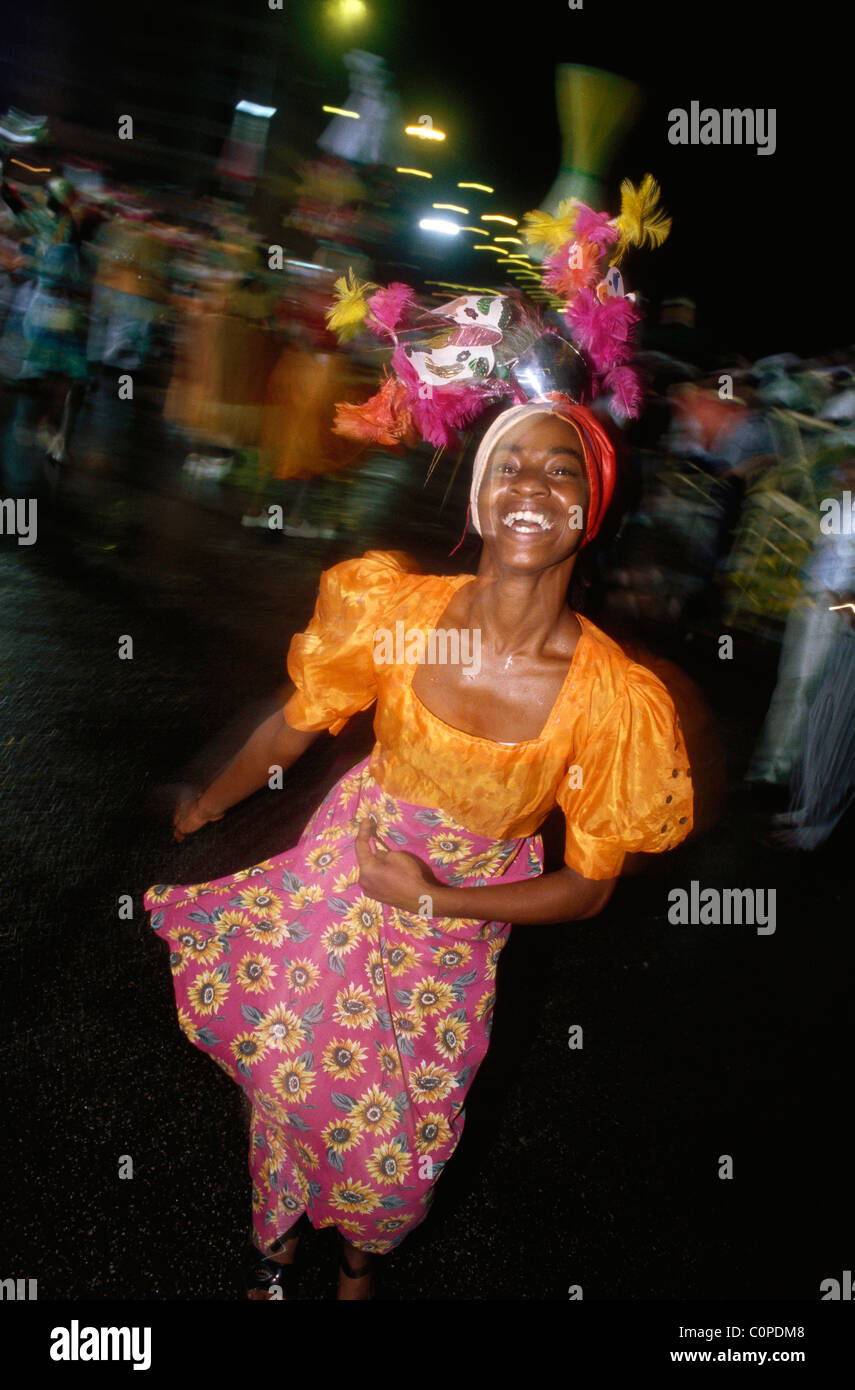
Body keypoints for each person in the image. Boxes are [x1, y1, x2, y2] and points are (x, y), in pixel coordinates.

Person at [144, 183, 694, 1301]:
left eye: (560, 469)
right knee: (296, 1082)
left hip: (456, 928)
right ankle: (274, 1243)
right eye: (511, 467)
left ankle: (358, 1260)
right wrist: (212, 801)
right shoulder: (392, 610)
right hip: (342, 878)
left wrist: (436, 899)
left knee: (401, 1142)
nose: (533, 485)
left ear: (590, 506)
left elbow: (589, 887)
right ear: (483, 499)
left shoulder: (613, 698)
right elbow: (299, 717)